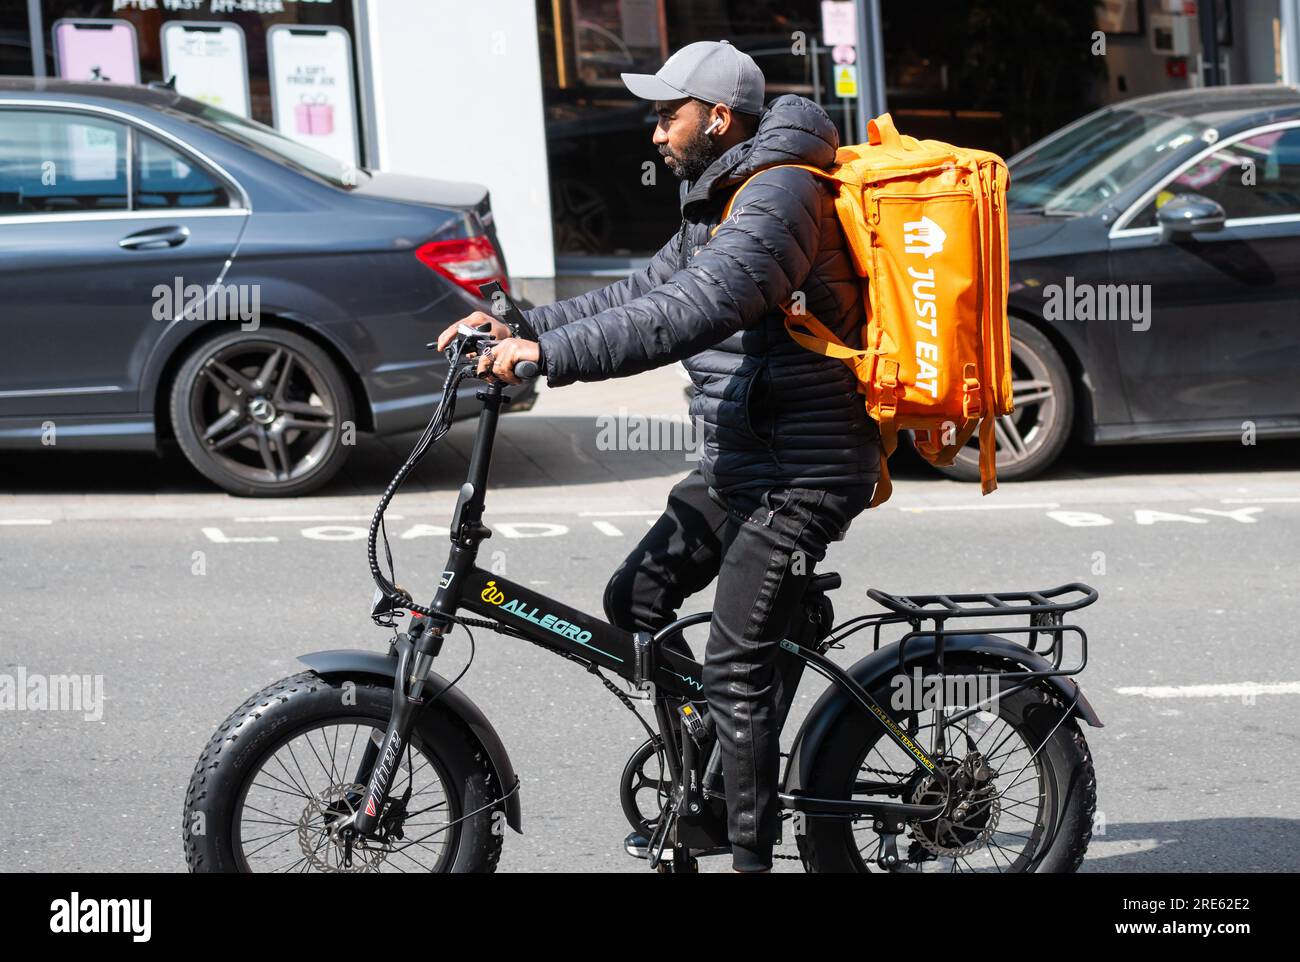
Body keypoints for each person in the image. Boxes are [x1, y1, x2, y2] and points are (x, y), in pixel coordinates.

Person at [436, 39, 881, 873]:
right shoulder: (723, 196)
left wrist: (551, 362)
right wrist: (523, 327)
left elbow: (699, 307)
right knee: (634, 598)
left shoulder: (780, 194)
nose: (653, 134)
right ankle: (710, 777)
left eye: (665, 114)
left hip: (802, 471)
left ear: (718, 117)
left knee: (732, 671)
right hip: (745, 460)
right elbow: (643, 293)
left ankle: (744, 847)